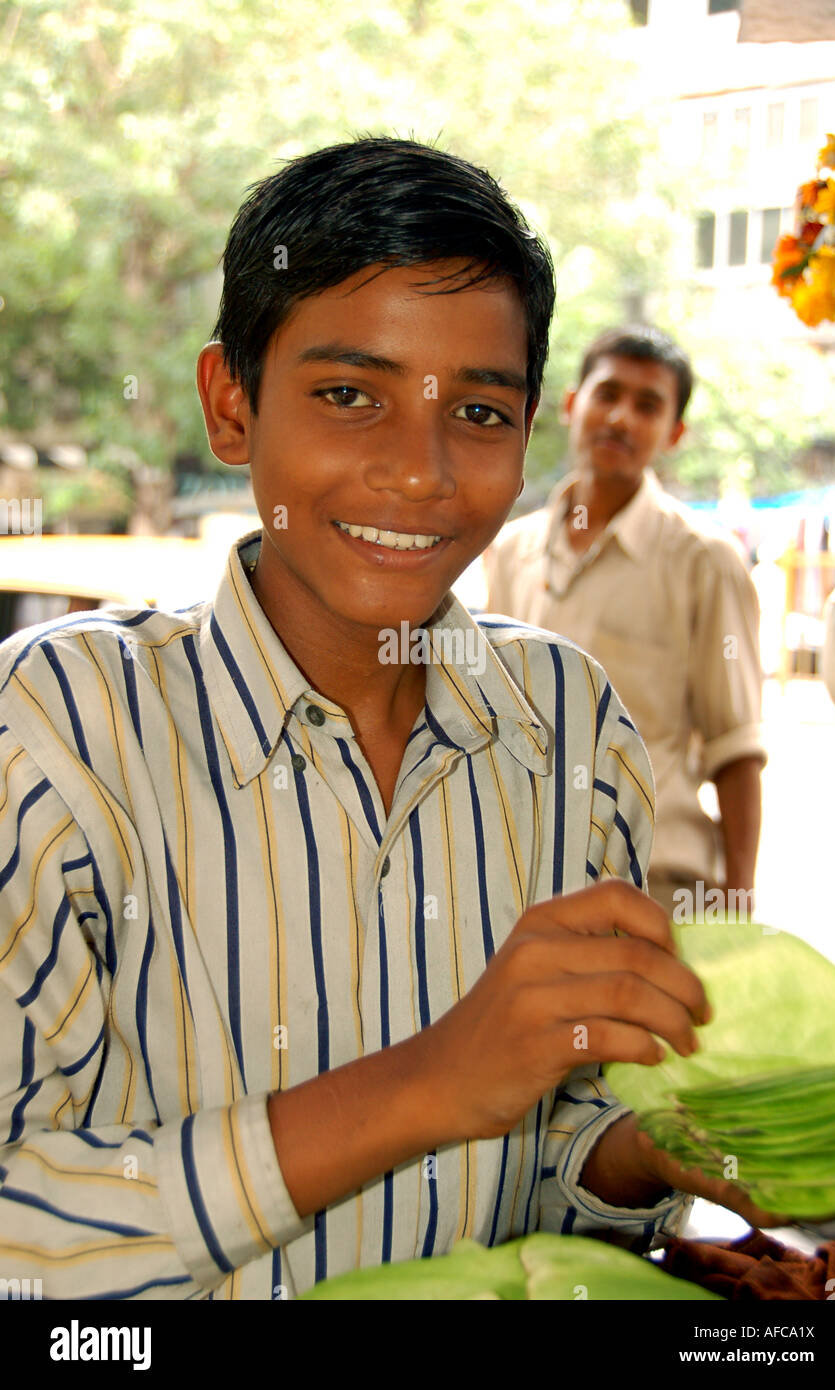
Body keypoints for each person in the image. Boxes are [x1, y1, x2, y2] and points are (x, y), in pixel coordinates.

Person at [0, 141, 777, 1303]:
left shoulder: (570, 725)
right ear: (230, 403)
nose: (419, 471)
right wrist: (424, 1084)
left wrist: (656, 1150)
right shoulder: (58, 733)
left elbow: (554, 1151)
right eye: (349, 395)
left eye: (476, 410)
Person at [484, 327, 766, 923]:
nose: (620, 418)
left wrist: (739, 914)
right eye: (607, 393)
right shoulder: (509, 551)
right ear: (569, 403)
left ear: (675, 433)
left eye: (648, 405)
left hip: (655, 883)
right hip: (525, 884)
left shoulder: (704, 560)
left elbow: (736, 748)